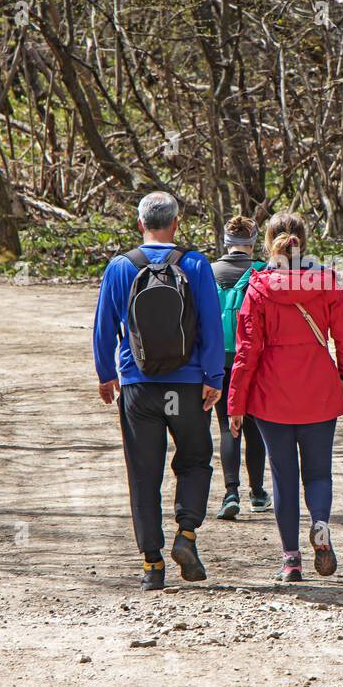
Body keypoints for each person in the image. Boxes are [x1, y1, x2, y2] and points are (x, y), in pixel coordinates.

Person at [93, 191, 225, 591]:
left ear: (140, 225)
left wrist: (106, 374)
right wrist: (213, 378)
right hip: (187, 387)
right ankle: (186, 535)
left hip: (139, 387)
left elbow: (103, 326)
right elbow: (211, 326)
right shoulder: (196, 264)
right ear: (176, 223)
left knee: (144, 474)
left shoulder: (120, 266)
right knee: (196, 459)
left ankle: (152, 565)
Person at [226, 212, 343, 582]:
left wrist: (236, 402)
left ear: (268, 243)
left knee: (283, 476)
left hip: (272, 393)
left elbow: (246, 349)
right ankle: (320, 523)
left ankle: (291, 560)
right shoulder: (326, 281)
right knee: (318, 472)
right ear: (305, 241)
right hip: (318, 386)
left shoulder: (258, 287)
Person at [211, 214, 270, 519]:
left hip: (219, 360)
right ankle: (258, 494)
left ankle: (230, 491)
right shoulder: (261, 272)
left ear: (227, 241)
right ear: (253, 241)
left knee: (226, 425)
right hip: (253, 360)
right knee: (253, 427)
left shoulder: (209, 272)